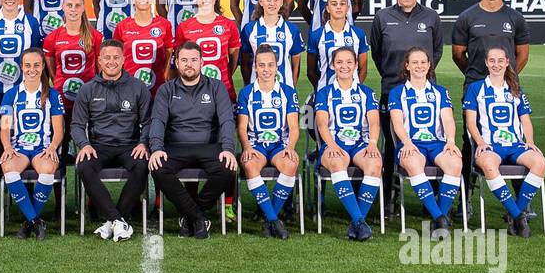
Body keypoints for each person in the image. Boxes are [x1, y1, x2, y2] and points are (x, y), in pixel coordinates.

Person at [452, 0, 530, 207]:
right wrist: (480, 80)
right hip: (475, 86)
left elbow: (522, 55)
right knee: (470, 141)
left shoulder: (515, 18)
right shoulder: (467, 17)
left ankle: (522, 201)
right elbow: (458, 54)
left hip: (507, 89)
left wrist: (504, 79)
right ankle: (465, 199)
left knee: (515, 136)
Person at [369, 0, 443, 219]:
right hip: (392, 90)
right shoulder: (382, 17)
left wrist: (418, 76)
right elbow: (377, 54)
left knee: (431, 141)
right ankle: (389, 198)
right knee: (391, 146)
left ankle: (430, 201)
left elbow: (437, 52)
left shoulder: (431, 17)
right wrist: (395, 76)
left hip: (425, 93)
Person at [147, 42, 239, 240]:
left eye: (194, 60)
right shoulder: (166, 90)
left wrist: (228, 148)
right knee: (157, 168)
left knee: (228, 168)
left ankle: (189, 215)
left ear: (202, 62)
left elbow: (226, 120)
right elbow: (157, 121)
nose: (189, 64)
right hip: (176, 147)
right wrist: (156, 148)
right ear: (177, 63)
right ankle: (197, 217)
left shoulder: (216, 87)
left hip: (209, 147)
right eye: (185, 60)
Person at [463, 47, 545, 238]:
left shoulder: (515, 88)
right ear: (486, 63)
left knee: (540, 162)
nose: (496, 64)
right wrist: (480, 142)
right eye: (492, 61)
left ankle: (514, 214)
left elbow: (525, 119)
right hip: (491, 146)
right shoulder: (475, 89)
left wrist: (530, 141)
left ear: (507, 62)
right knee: (487, 164)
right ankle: (519, 216)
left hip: (515, 146)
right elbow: (470, 122)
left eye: (500, 61)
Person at [72, 39, 152, 243]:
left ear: (123, 60)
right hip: (99, 146)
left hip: (129, 145)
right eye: (107, 57)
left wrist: (143, 142)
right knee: (83, 165)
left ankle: (113, 221)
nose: (111, 61)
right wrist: (85, 144)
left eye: (116, 57)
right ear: (99, 60)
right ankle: (118, 220)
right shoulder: (87, 90)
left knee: (142, 165)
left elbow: (150, 121)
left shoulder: (138, 87)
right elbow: (77, 125)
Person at [387, 47, 463, 240]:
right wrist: (406, 142)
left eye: (423, 62)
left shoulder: (440, 92)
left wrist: (451, 141)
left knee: (455, 163)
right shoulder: (397, 92)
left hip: (437, 143)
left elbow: (447, 120)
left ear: (429, 65)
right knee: (413, 163)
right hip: (411, 144)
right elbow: (396, 122)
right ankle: (440, 217)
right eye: (414, 62)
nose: (419, 66)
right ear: (407, 66)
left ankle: (439, 220)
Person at [313, 47, 383, 241]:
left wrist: (373, 143)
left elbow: (374, 121)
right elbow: (321, 124)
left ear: (356, 65)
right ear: (333, 65)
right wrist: (332, 145)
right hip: (334, 143)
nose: (344, 66)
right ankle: (360, 221)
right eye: (340, 62)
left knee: (375, 164)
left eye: (349, 62)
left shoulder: (366, 92)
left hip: (361, 143)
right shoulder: (324, 92)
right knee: (337, 161)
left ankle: (357, 223)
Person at [0, 48, 65, 241]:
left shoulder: (52, 95)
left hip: (42, 147)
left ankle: (28, 223)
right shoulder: (11, 95)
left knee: (48, 167)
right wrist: (8, 147)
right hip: (18, 148)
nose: (32, 69)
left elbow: (58, 129)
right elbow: (4, 128)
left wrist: (52, 147)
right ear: (21, 67)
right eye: (28, 65)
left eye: (36, 65)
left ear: (43, 66)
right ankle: (36, 221)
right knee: (8, 167)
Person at [236, 45, 300, 240]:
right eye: (261, 65)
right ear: (255, 67)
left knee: (291, 164)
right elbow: (241, 127)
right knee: (249, 164)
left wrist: (290, 147)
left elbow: (294, 128)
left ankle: (268, 218)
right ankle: (274, 220)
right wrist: (247, 147)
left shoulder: (288, 92)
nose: (266, 69)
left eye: (270, 65)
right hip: (256, 145)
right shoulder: (246, 92)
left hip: (280, 144)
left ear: (277, 67)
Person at [0, 0, 43, 167]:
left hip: (24, 93)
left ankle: (25, 185)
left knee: (25, 138)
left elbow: (35, 57)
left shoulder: (31, 23)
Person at [42, 0, 102, 163]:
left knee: (90, 151)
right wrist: (61, 86)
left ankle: (88, 188)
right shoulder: (52, 38)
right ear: (63, 7)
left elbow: (99, 71)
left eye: (77, 5)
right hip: (62, 101)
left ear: (84, 8)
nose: (73, 9)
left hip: (88, 101)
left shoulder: (95, 36)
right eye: (69, 5)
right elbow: (51, 70)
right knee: (58, 152)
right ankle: (60, 189)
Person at [174, 0, 241, 102]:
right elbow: (180, 61)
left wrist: (225, 75)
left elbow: (234, 57)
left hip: (223, 91)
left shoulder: (228, 25)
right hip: (194, 92)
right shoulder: (184, 27)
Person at [239, 0, 304, 89]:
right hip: (256, 89)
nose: (272, 3)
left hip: (285, 88)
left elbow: (296, 65)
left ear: (282, 2)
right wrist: (249, 86)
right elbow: (245, 64)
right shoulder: (249, 29)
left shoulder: (292, 30)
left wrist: (291, 88)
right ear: (261, 1)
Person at [114, 0, 173, 92]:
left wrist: (165, 74)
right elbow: (116, 54)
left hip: (157, 85)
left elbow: (169, 50)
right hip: (129, 87)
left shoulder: (164, 24)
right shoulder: (122, 26)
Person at [306, 0, 370, 91]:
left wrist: (354, 86)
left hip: (353, 92)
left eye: (342, 4)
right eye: (334, 4)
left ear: (348, 8)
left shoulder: (358, 34)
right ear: (327, 8)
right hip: (325, 92)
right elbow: (310, 71)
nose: (338, 7)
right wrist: (321, 89)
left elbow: (363, 69)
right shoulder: (316, 35)